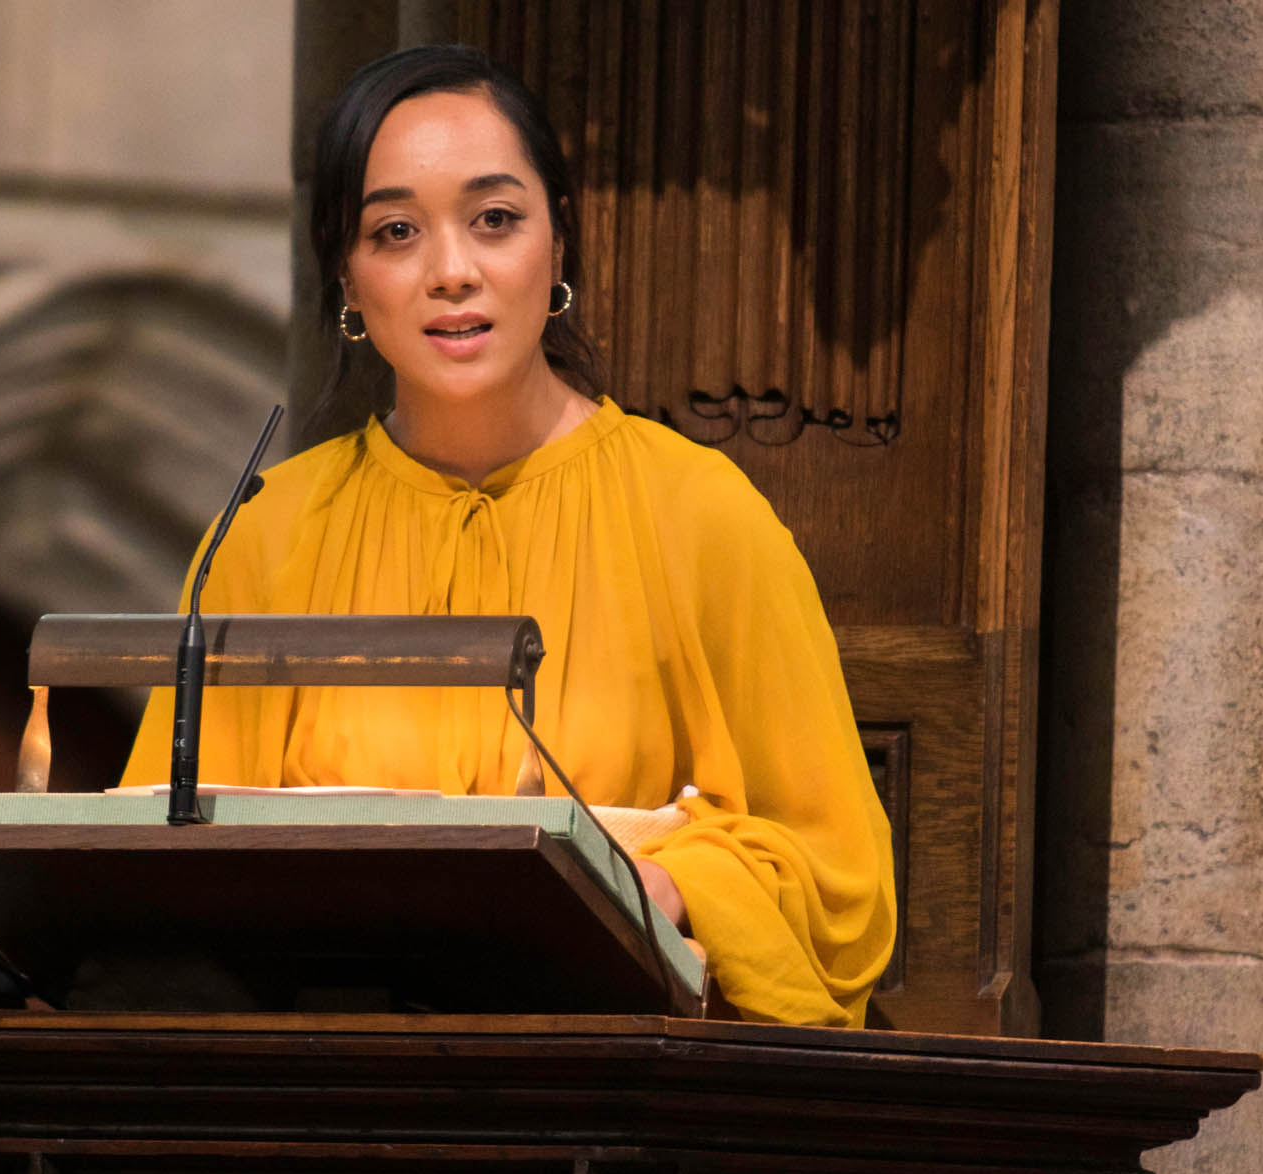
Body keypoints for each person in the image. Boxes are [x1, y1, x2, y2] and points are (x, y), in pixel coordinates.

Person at [122, 44, 895, 1027]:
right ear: (347, 280)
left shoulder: (700, 514)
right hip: (326, 1076)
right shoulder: (266, 531)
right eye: (395, 232)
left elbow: (837, 880)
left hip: (608, 1070)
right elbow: (154, 864)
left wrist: (665, 888)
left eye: (494, 219)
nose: (453, 273)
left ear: (558, 242)